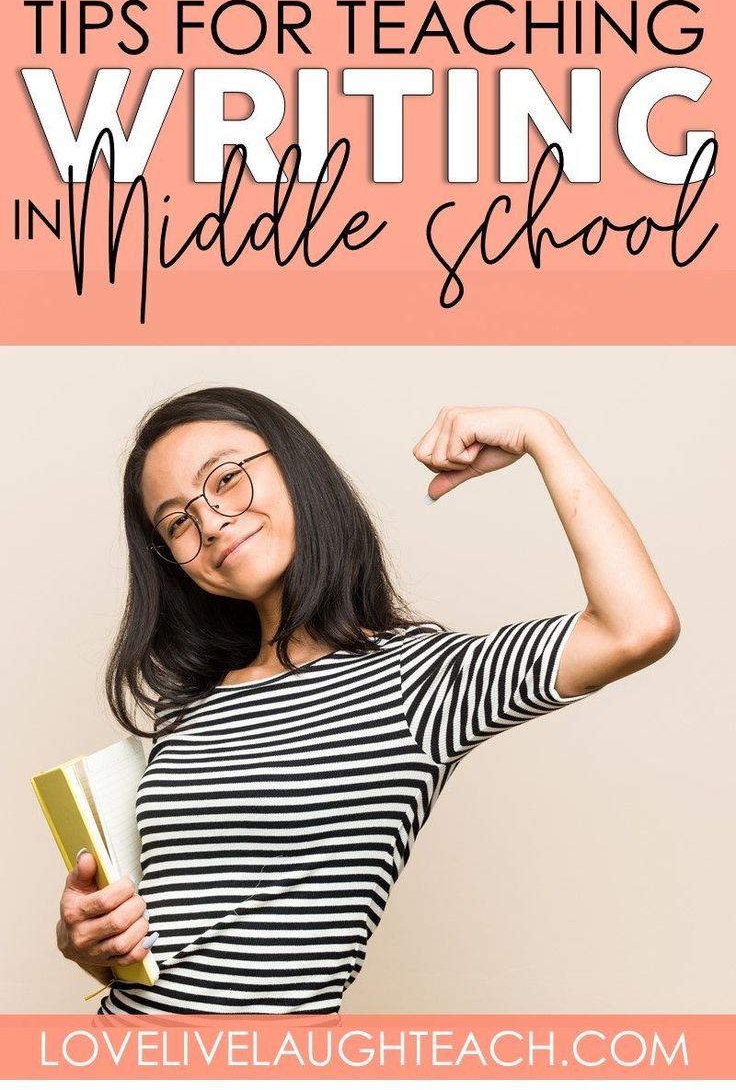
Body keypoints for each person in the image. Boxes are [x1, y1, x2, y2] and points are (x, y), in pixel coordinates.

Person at [55, 386, 680, 1014]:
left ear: (295, 467)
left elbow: (635, 627)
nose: (210, 522)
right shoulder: (188, 709)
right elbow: (173, 940)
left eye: (226, 479)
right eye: (177, 523)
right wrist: (90, 942)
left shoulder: (418, 683)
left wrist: (543, 434)